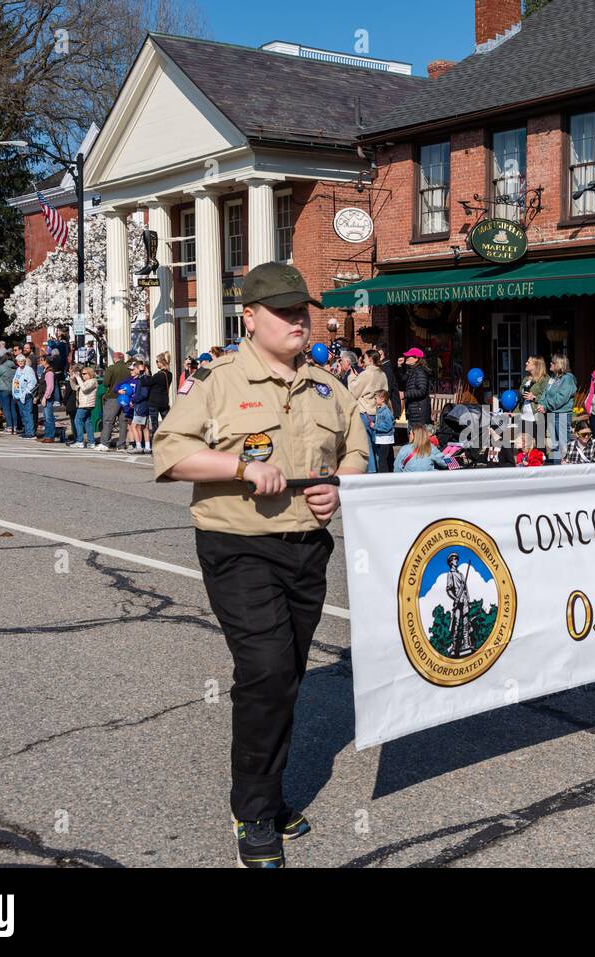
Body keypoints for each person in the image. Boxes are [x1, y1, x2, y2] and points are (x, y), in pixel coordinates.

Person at [152, 262, 366, 868]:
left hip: (307, 548)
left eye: (303, 310)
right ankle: (251, 814)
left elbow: (357, 448)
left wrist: (341, 485)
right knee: (267, 670)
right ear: (250, 317)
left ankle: (270, 796)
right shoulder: (217, 380)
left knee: (289, 673)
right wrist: (241, 469)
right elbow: (170, 452)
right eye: (284, 311)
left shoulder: (328, 386)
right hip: (238, 546)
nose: (299, 321)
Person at [349, 349, 389, 464]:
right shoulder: (382, 374)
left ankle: (371, 473)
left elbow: (353, 391)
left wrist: (351, 377)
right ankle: (379, 474)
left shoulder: (366, 373)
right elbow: (385, 392)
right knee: (377, 447)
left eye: (365, 357)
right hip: (378, 413)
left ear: (370, 360)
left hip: (365, 413)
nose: (363, 359)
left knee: (367, 447)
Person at [538, 354, 577, 464]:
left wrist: (546, 406)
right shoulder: (553, 378)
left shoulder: (568, 378)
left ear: (559, 364)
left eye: (553, 362)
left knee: (563, 446)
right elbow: (545, 393)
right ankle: (556, 470)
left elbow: (561, 398)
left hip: (562, 415)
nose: (550, 364)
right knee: (554, 445)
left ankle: (565, 473)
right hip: (552, 414)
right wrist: (542, 404)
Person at [98, 351, 130, 451]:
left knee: (108, 420)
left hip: (113, 396)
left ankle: (105, 443)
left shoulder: (111, 368)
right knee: (123, 421)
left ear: (115, 358)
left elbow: (106, 383)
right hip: (126, 397)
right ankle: (121, 445)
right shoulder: (128, 369)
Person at [401, 348, 432, 427]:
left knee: (418, 437)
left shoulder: (420, 372)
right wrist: (399, 366)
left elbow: (421, 391)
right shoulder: (412, 371)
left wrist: (405, 394)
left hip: (419, 412)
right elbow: (401, 380)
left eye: (409, 356)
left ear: (416, 359)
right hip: (413, 411)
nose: (406, 358)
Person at [70, 366, 99, 449]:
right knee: (87, 422)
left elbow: (84, 389)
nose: (83, 375)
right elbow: (75, 388)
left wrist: (78, 377)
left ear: (90, 374)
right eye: (82, 374)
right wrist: (72, 379)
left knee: (77, 421)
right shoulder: (85, 382)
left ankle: (80, 441)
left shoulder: (92, 381)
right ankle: (91, 442)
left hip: (85, 404)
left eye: (84, 374)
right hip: (84, 404)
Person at [128, 358, 152, 454]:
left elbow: (144, 394)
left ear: (139, 369)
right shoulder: (143, 379)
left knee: (134, 426)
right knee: (144, 427)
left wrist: (133, 400)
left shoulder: (143, 379)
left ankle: (139, 446)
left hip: (141, 406)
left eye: (134, 369)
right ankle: (147, 446)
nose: (132, 370)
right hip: (143, 405)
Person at [370, 389, 396, 474]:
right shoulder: (380, 409)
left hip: (385, 439)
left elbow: (388, 426)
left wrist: (375, 426)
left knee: (382, 461)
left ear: (382, 399)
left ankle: (383, 477)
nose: (375, 400)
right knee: (385, 459)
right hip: (382, 439)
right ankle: (387, 475)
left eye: (376, 398)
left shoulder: (386, 412)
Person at [11, 354, 38, 438]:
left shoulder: (28, 370)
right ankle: (27, 431)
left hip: (26, 395)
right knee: (23, 414)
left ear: (24, 361)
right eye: (19, 361)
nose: (20, 363)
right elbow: (16, 381)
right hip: (18, 395)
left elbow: (32, 383)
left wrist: (26, 392)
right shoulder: (18, 369)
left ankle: (30, 433)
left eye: (22, 361)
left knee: (28, 414)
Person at [148, 353, 173, 436]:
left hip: (154, 402)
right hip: (164, 402)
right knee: (167, 423)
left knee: (154, 425)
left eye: (157, 361)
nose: (156, 363)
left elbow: (147, 382)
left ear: (161, 362)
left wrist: (146, 375)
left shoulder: (158, 375)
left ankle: (155, 441)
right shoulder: (169, 374)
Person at [36, 356, 60, 443]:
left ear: (46, 361)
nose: (40, 361)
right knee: (46, 418)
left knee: (49, 418)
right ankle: (47, 435)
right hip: (44, 397)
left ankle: (50, 436)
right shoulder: (45, 370)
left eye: (42, 360)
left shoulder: (49, 372)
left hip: (47, 398)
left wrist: (45, 398)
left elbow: (50, 387)